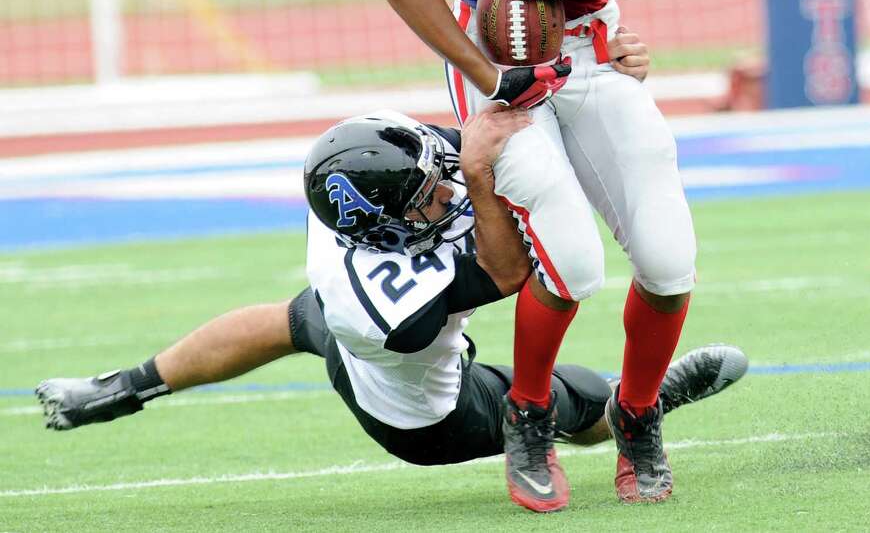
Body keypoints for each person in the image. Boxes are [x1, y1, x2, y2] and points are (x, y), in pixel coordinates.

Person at [36, 95, 748, 501]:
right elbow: (508, 274)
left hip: (343, 324)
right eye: (428, 198)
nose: (446, 188)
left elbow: (450, 147)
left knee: (288, 320)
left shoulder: (351, 184)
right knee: (577, 399)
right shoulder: (387, 305)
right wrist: (478, 175)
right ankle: (635, 407)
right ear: (388, 228)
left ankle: (118, 388)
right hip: (422, 412)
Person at [379, 0, 702, 510]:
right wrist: (495, 79)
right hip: (494, 52)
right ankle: (528, 413)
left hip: (591, 41)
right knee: (572, 255)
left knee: (669, 256)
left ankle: (637, 412)